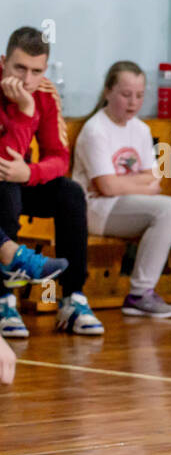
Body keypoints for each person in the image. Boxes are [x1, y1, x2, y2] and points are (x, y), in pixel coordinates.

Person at [72, 61, 171, 318]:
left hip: (130, 203)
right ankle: (140, 293)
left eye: (139, 95)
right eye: (126, 95)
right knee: (167, 210)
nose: (133, 102)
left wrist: (131, 184)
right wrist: (140, 184)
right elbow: (106, 186)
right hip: (95, 209)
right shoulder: (96, 130)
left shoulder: (141, 129)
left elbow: (151, 178)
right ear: (108, 92)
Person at [0, 26, 102, 337]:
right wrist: (26, 111)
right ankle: (5, 298)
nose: (27, 80)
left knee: (70, 193)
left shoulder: (44, 92)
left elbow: (58, 157)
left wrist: (31, 173)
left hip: (18, 173)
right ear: (3, 61)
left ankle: (73, 298)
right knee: (6, 188)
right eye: (20, 68)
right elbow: (6, 158)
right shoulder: (26, 98)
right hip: (4, 177)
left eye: (36, 71)